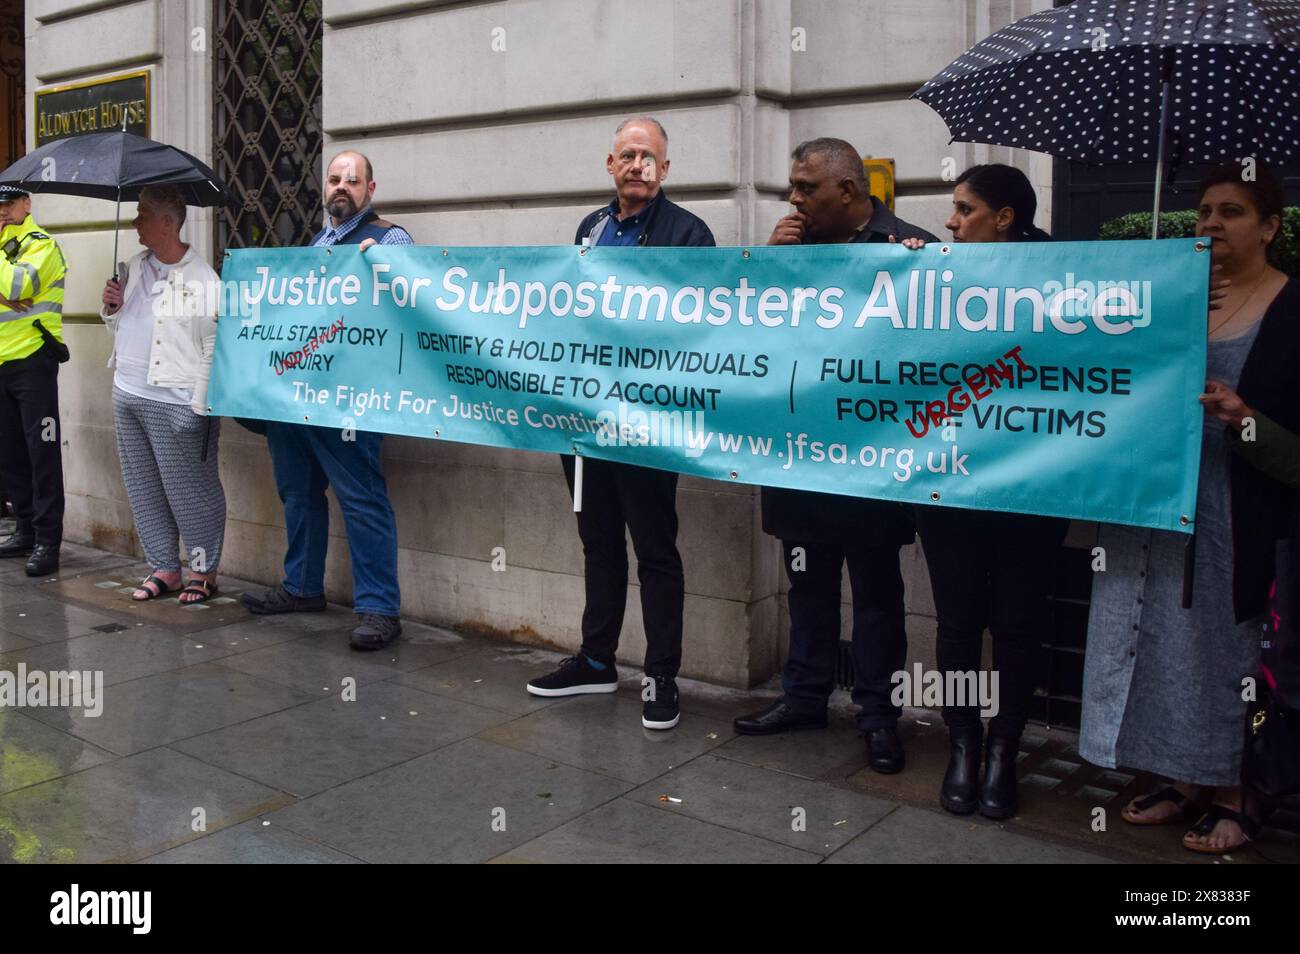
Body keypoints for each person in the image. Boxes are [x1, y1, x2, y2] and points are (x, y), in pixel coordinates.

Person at [1081, 164, 1300, 854]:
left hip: (1240, 514)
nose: (1211, 223)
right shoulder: (1177, 297)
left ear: (1269, 227)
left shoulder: (1293, 311)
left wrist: (1245, 421)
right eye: (1204, 210)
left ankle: (1239, 791)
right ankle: (1180, 776)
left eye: (1231, 211)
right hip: (1157, 505)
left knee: (1225, 651)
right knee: (1162, 642)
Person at [732, 138, 935, 774]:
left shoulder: (912, 249)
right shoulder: (790, 252)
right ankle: (804, 697)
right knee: (806, 587)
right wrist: (770, 269)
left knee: (877, 593)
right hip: (797, 458)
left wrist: (924, 274)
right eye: (791, 187)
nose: (792, 198)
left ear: (848, 192)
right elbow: (745, 339)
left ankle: (879, 718)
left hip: (872, 465)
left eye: (804, 187)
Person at [526, 117, 714, 730]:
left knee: (655, 549)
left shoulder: (689, 234)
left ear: (666, 168)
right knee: (598, 543)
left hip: (647, 423)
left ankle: (662, 675)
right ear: (610, 165)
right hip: (582, 421)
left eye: (650, 157)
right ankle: (596, 659)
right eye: (628, 155)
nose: (638, 165)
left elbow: (701, 326)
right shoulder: (590, 228)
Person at [894, 164, 1070, 818]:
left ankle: (1004, 748)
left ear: (1005, 219)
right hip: (950, 485)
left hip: (1030, 488)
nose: (949, 221)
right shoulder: (935, 273)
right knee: (960, 622)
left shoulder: (1069, 278)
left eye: (964, 210)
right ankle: (963, 743)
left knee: (1019, 625)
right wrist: (903, 273)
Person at [240, 150, 411, 651]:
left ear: (370, 189)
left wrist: (375, 269)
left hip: (350, 397)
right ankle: (301, 587)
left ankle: (380, 609)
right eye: (335, 180)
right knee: (297, 491)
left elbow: (399, 299)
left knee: (362, 498)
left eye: (352, 181)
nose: (342, 187)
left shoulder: (389, 237)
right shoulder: (318, 241)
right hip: (297, 393)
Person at [100, 185, 225, 604]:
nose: (136, 222)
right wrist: (111, 309)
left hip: (177, 400)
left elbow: (213, 349)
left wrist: (200, 406)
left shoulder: (204, 279)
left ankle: (203, 572)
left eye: (143, 214)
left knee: (191, 490)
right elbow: (121, 325)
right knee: (143, 487)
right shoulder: (134, 265)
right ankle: (165, 568)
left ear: (168, 224)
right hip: (127, 390)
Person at [0, 186, 68, 577]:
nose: (3, 211)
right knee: (10, 455)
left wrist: (9, 295)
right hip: (2, 362)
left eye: (9, 204)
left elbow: (15, 288)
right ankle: (24, 528)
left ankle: (47, 540)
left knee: (41, 453)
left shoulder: (42, 244)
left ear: (27, 204)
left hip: (32, 362)